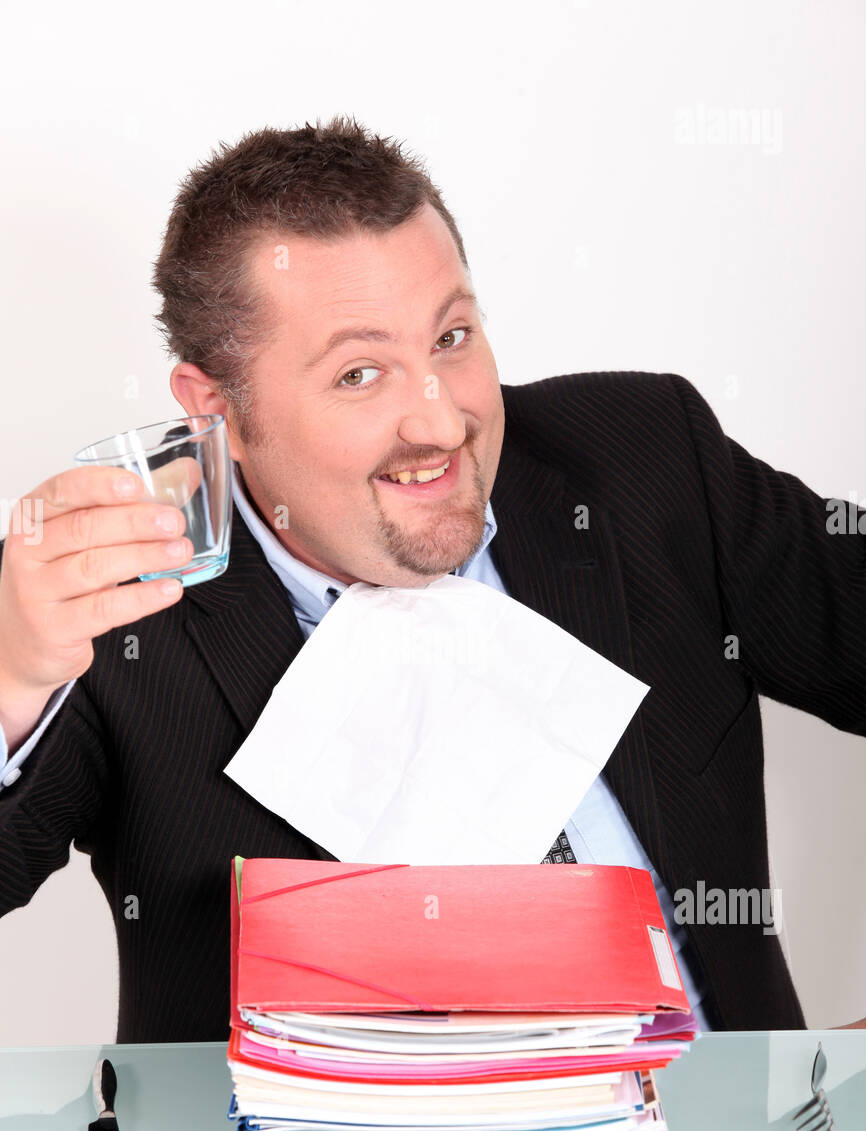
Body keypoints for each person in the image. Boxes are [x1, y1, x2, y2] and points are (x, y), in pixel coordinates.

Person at [0, 118, 863, 1042]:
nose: (441, 423)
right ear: (220, 410)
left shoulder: (647, 456)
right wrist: (10, 681)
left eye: (451, 337)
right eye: (361, 373)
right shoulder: (111, 604)